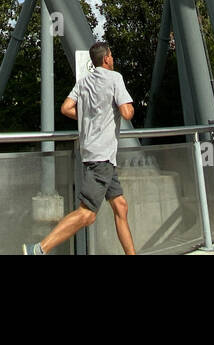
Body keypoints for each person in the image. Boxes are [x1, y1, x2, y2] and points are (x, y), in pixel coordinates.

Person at [24, 41, 135, 256]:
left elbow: (66, 108)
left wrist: (88, 118)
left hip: (97, 156)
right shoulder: (115, 78)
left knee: (120, 206)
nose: (112, 59)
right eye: (111, 55)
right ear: (106, 59)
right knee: (87, 214)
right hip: (102, 158)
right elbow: (127, 112)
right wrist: (126, 108)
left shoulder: (84, 82)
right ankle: (38, 249)